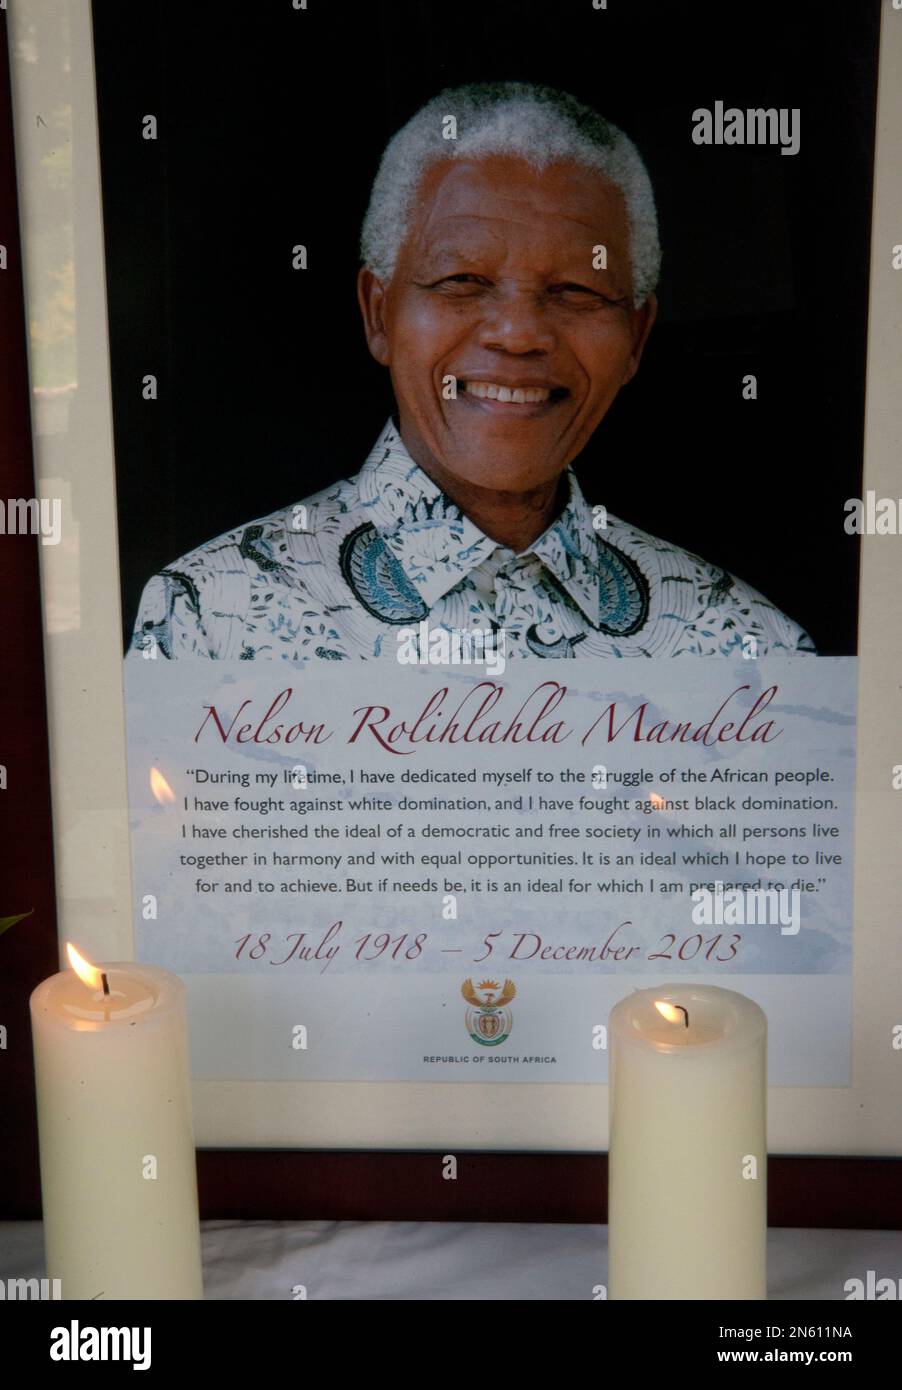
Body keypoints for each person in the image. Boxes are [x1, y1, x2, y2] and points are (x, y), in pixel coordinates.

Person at [129, 82, 815, 662]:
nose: (518, 334)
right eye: (462, 279)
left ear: (635, 336)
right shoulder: (208, 620)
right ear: (378, 315)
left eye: (577, 290)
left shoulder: (748, 649)